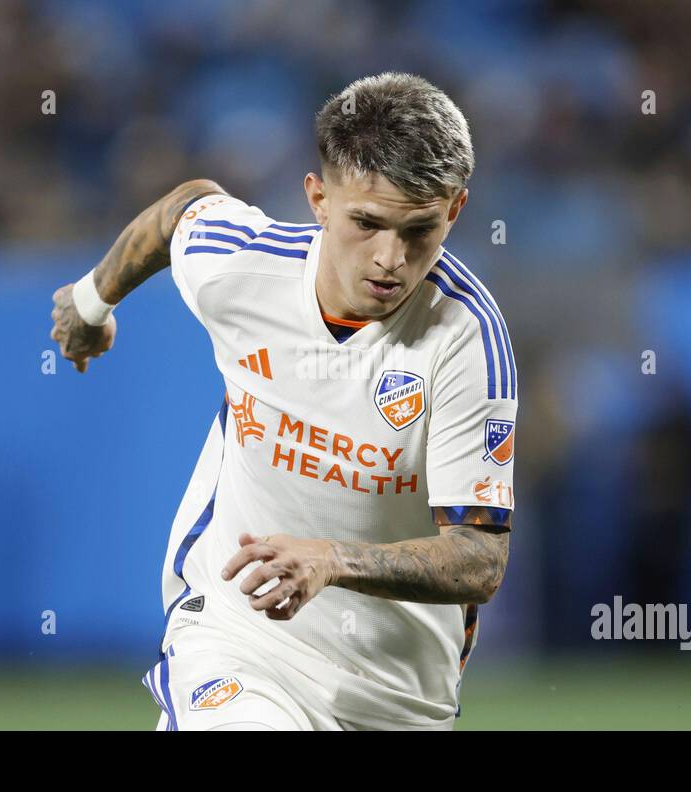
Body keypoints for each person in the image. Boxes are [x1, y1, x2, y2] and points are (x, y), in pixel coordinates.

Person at [49, 73, 517, 730]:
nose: (390, 258)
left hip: (396, 694)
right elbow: (183, 209)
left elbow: (479, 556)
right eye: (367, 222)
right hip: (239, 641)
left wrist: (331, 559)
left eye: (419, 230)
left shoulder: (464, 338)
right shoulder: (243, 265)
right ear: (318, 198)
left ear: (457, 210)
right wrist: (93, 301)